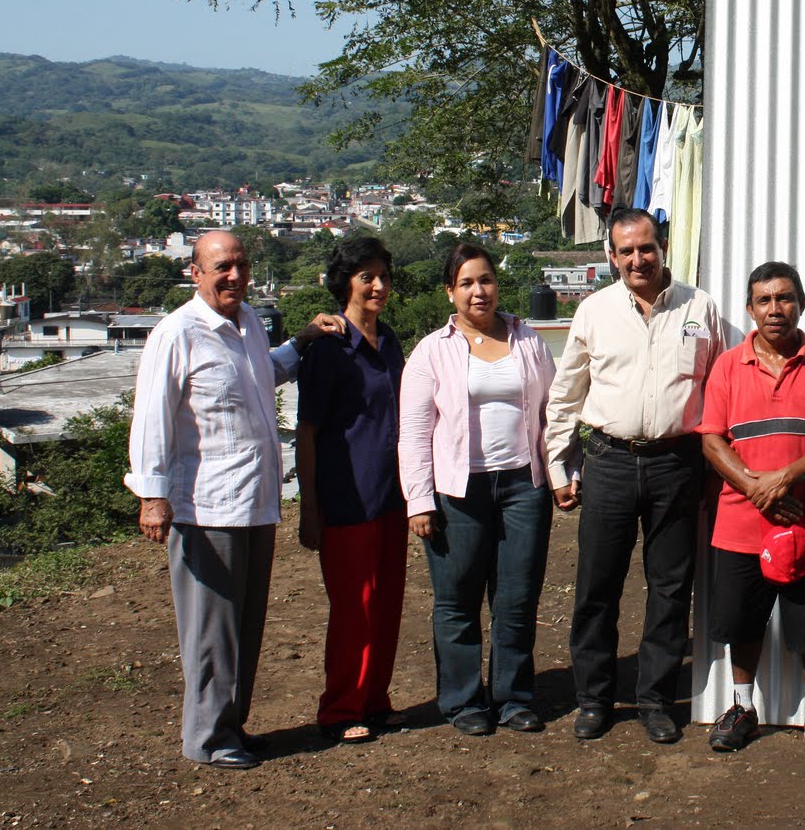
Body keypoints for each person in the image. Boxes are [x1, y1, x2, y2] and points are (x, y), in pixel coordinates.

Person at [125, 230, 343, 769]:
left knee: (245, 625)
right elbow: (151, 417)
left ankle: (232, 725)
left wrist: (306, 338)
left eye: (240, 266)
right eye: (221, 267)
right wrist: (153, 494)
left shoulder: (245, 326)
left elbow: (264, 373)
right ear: (195, 273)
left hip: (254, 500)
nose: (233, 276)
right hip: (205, 507)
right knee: (210, 630)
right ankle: (207, 738)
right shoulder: (177, 333)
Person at [545, 206, 722, 744]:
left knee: (670, 587)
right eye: (627, 251)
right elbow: (565, 394)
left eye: (646, 247)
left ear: (661, 246)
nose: (638, 259)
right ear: (611, 255)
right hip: (610, 462)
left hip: (677, 463)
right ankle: (594, 699)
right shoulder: (594, 312)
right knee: (598, 586)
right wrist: (558, 464)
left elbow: (719, 390)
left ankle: (655, 700)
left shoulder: (701, 307)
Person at [398, 242, 557, 736]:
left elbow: (552, 413)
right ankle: (463, 701)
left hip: (522, 487)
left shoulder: (527, 340)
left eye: (485, 280)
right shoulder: (432, 349)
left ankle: (513, 697)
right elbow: (414, 430)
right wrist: (419, 500)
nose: (478, 291)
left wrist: (560, 475)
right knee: (457, 598)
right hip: (457, 490)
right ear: (450, 292)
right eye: (466, 283)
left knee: (516, 597)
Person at [697, 261, 805, 754]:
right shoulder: (727, 365)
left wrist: (785, 478)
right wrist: (753, 487)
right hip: (741, 521)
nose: (774, 309)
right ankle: (743, 706)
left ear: (801, 304)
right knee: (741, 620)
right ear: (749, 309)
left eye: (784, 298)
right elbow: (711, 441)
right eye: (764, 300)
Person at [294, 235, 407, 745]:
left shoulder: (391, 344)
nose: (378, 285)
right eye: (368, 277)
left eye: (384, 275)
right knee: (353, 609)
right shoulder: (328, 349)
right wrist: (309, 509)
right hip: (346, 499)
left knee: (386, 605)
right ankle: (340, 708)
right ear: (347, 284)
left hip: (391, 496)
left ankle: (375, 699)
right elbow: (308, 432)